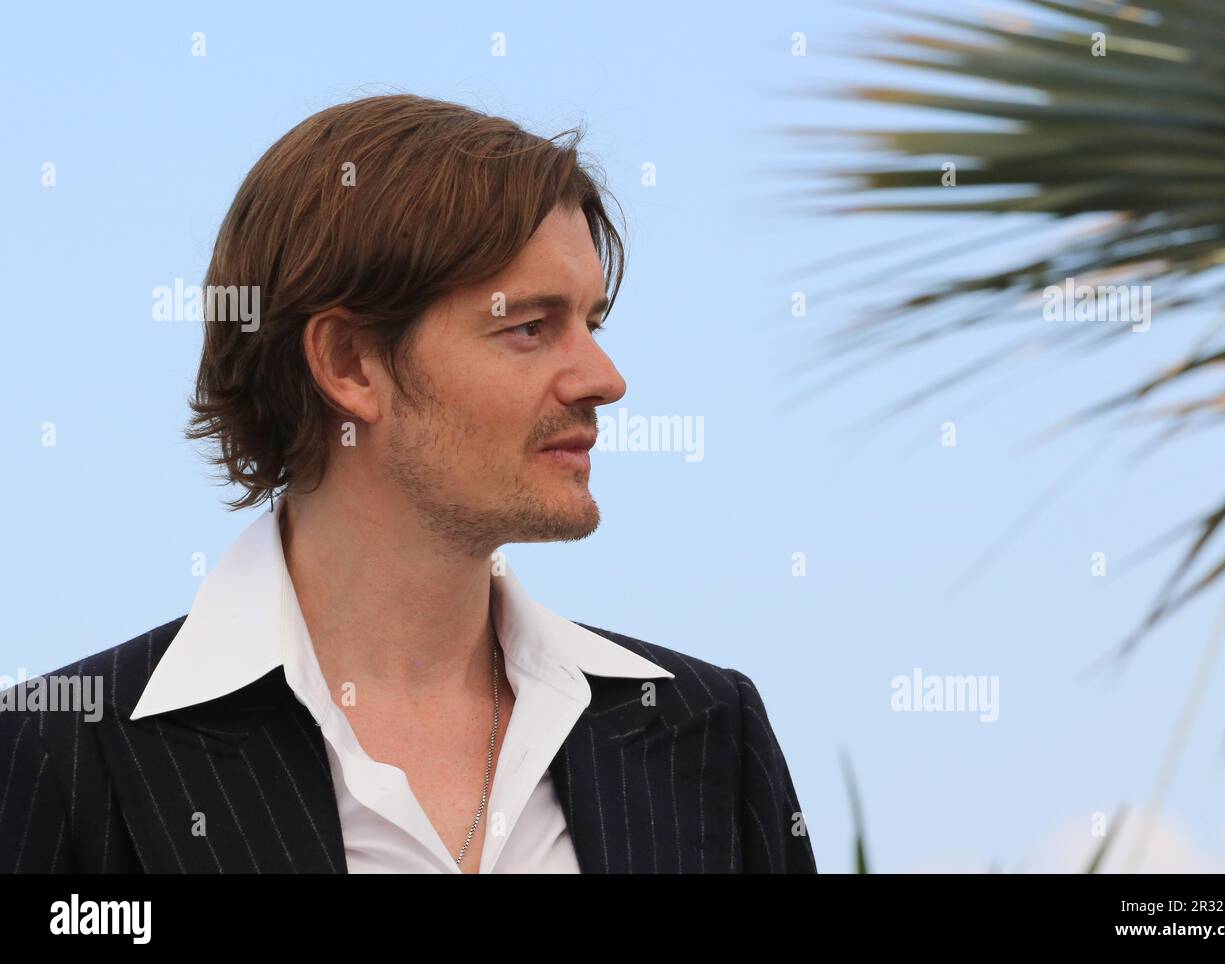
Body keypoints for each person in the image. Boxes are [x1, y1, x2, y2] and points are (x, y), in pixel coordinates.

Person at [0, 94, 816, 874]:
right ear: (351, 365)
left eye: (591, 324)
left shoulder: (708, 730)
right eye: (530, 327)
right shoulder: (64, 757)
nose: (604, 379)